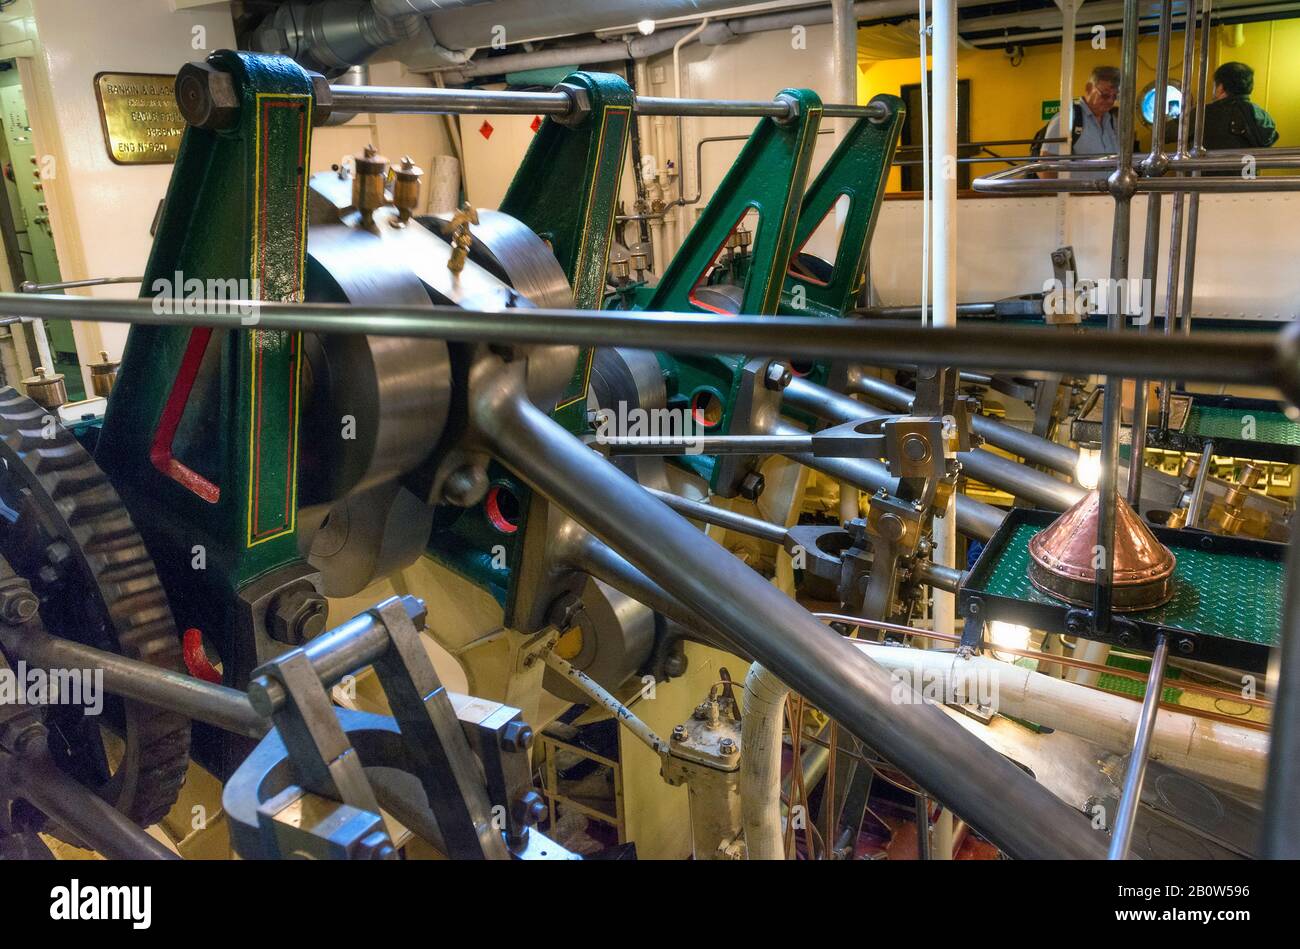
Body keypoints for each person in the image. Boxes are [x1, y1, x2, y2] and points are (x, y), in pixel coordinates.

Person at [1036, 65, 1122, 180]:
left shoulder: (1112, 121)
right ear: (1089, 88)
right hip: (1076, 196)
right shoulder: (1067, 119)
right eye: (1105, 95)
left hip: (1108, 195)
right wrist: (1063, 196)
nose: (1111, 101)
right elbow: (1045, 169)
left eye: (1115, 96)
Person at [1202, 61, 1278, 152]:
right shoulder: (1264, 117)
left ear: (1220, 87)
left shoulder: (1202, 114)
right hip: (1250, 166)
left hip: (1210, 166)